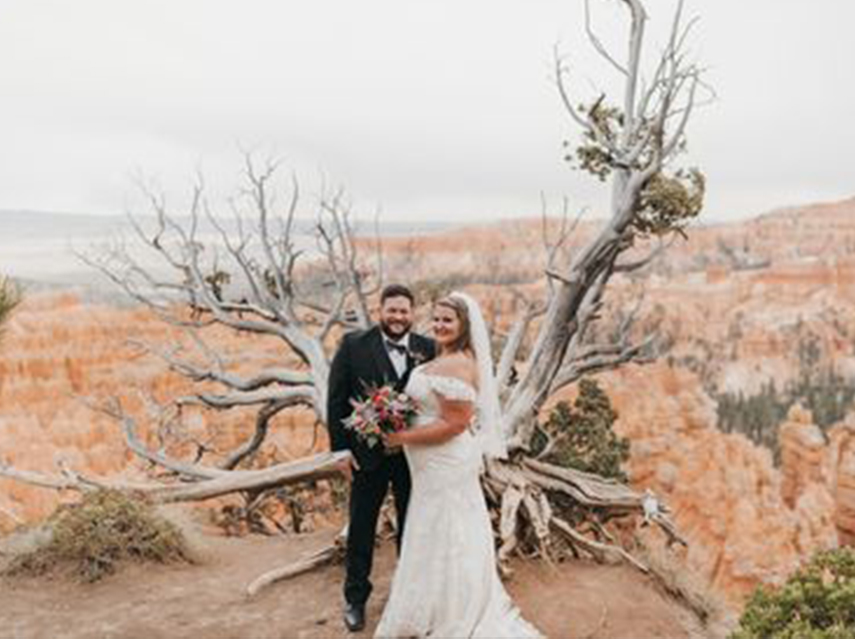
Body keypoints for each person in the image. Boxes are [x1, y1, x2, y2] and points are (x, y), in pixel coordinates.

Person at [374, 292, 543, 638]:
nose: (439, 325)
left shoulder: (459, 364)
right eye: (436, 319)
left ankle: (454, 610)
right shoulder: (444, 356)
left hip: (445, 463)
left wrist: (401, 437)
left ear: (464, 325)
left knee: (449, 532)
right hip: (429, 466)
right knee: (432, 529)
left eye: (447, 320)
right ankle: (431, 604)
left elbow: (454, 425)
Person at [326, 284, 436, 632]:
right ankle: (355, 600)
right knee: (361, 527)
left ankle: (409, 597)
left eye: (404, 311)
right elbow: (336, 398)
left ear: (412, 313)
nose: (398, 317)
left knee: (412, 527)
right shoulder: (353, 345)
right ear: (380, 311)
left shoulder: (429, 348)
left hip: (414, 457)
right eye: (392, 310)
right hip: (366, 456)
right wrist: (340, 450)